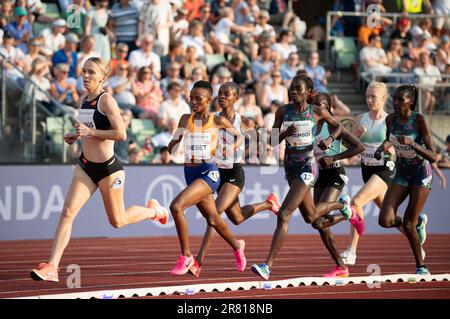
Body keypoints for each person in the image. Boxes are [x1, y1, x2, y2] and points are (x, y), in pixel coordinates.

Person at [30, 57, 169, 282]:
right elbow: (86, 129)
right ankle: (53, 267)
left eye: (91, 72)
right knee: (67, 213)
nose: (85, 76)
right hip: (86, 166)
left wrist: (90, 133)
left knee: (118, 221)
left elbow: (121, 134)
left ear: (103, 77)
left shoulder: (107, 102)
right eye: (84, 71)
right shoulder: (84, 99)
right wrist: (74, 136)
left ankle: (155, 211)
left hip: (108, 170)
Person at [250, 74, 348, 280]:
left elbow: (339, 126)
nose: (293, 92)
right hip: (290, 167)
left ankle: (267, 265)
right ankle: (341, 207)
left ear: (308, 92)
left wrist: (329, 139)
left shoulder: (317, 112)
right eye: (291, 88)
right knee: (312, 218)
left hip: (307, 165)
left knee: (284, 213)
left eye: (298, 89)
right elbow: (272, 140)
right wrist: (286, 134)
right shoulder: (283, 111)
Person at [188, 82, 281, 277]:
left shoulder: (244, 121)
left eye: (226, 94)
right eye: (219, 93)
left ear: (235, 98)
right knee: (237, 218)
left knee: (214, 214)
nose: (221, 97)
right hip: (215, 173)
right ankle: (268, 203)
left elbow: (263, 139)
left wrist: (265, 148)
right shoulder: (211, 119)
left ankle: (198, 261)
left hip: (234, 173)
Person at [167, 80, 246, 275]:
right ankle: (237, 246)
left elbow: (240, 136)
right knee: (213, 219)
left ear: (208, 100)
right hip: (189, 172)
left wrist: (231, 147)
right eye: (191, 98)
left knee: (176, 207)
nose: (193, 102)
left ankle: (186, 256)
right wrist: (174, 142)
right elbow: (174, 144)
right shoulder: (185, 119)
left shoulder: (217, 122)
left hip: (208, 173)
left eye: (198, 99)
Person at [375, 84, 437, 275]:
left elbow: (433, 156)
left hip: (421, 173)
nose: (395, 103)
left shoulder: (419, 120)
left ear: (411, 101)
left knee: (408, 224)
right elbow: (389, 139)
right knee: (385, 220)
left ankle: (421, 265)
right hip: (402, 172)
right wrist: (381, 149)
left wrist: (412, 144)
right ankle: (417, 224)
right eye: (394, 99)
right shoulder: (390, 119)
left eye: (400, 99)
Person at [340, 82, 396, 266]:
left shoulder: (391, 121)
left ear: (383, 98)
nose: (370, 100)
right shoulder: (359, 119)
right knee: (388, 215)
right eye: (367, 96)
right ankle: (414, 233)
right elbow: (351, 147)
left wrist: (390, 151)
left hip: (384, 169)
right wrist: (357, 135)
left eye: (374, 97)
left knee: (356, 202)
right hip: (367, 169)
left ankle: (351, 252)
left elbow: (396, 149)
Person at [309, 92, 365, 277]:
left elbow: (359, 147)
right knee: (318, 223)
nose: (317, 108)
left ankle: (345, 206)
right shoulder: (309, 125)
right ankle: (341, 266)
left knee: (318, 216)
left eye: (322, 105)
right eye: (314, 104)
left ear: (329, 108)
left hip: (335, 172)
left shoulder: (334, 125)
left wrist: (334, 156)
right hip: (320, 175)